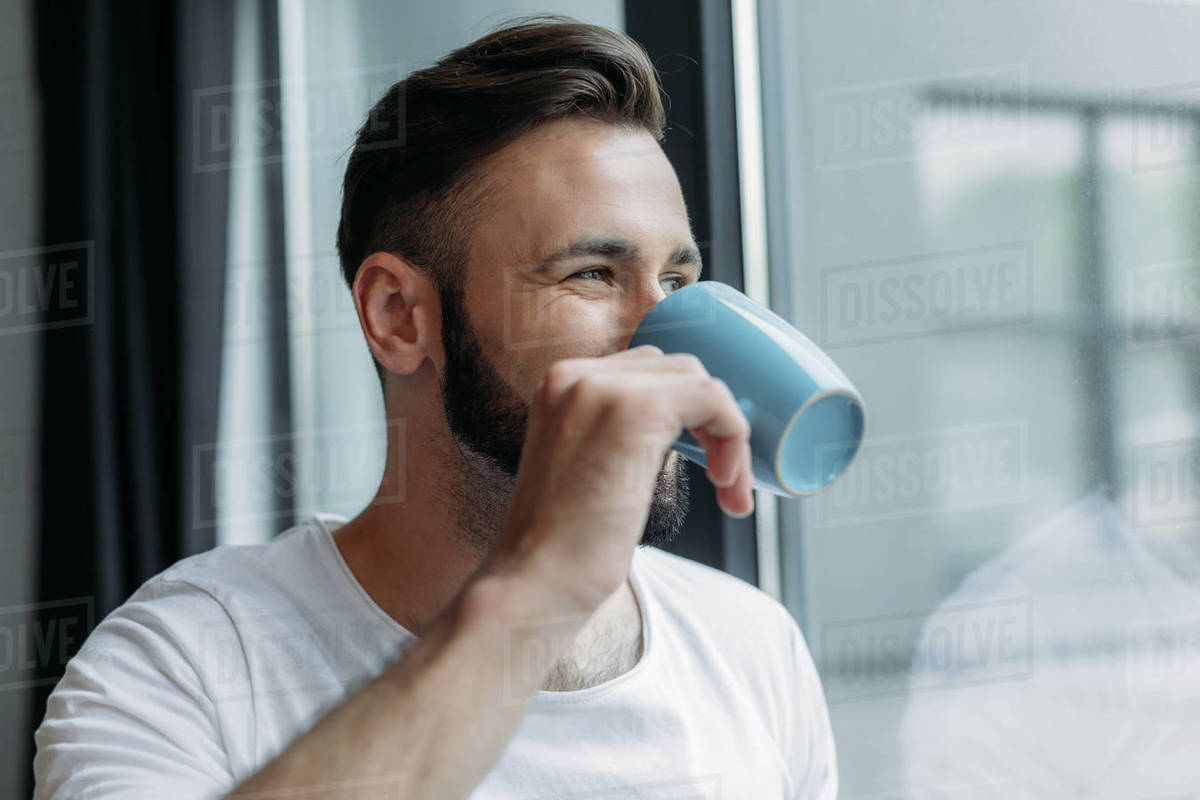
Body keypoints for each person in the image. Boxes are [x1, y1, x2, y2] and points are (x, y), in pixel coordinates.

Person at [33, 17, 836, 799]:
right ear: (398, 315)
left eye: (678, 282)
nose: (671, 344)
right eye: (592, 273)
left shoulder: (752, 647)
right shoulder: (190, 662)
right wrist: (539, 590)